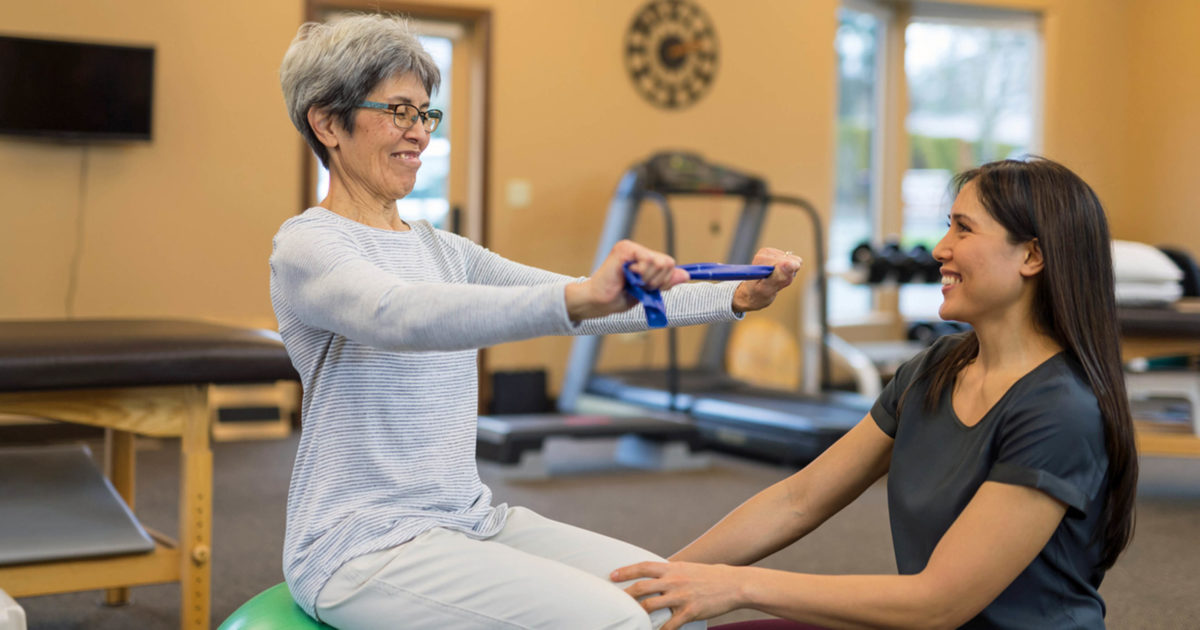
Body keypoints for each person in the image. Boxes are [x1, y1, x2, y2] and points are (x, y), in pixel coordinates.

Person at [273, 14, 801, 630]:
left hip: (468, 521)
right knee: (619, 623)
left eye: (424, 113)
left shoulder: (445, 250)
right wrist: (580, 297)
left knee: (672, 602)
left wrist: (737, 295)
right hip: (359, 546)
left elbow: (587, 302)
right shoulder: (307, 246)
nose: (419, 131)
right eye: (398, 111)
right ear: (327, 123)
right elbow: (397, 314)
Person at [613, 157, 1139, 630]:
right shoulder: (936, 368)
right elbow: (799, 500)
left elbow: (938, 604)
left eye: (963, 228)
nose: (940, 249)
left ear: (1031, 255)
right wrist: (657, 580)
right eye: (947, 226)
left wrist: (737, 586)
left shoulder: (1060, 410)